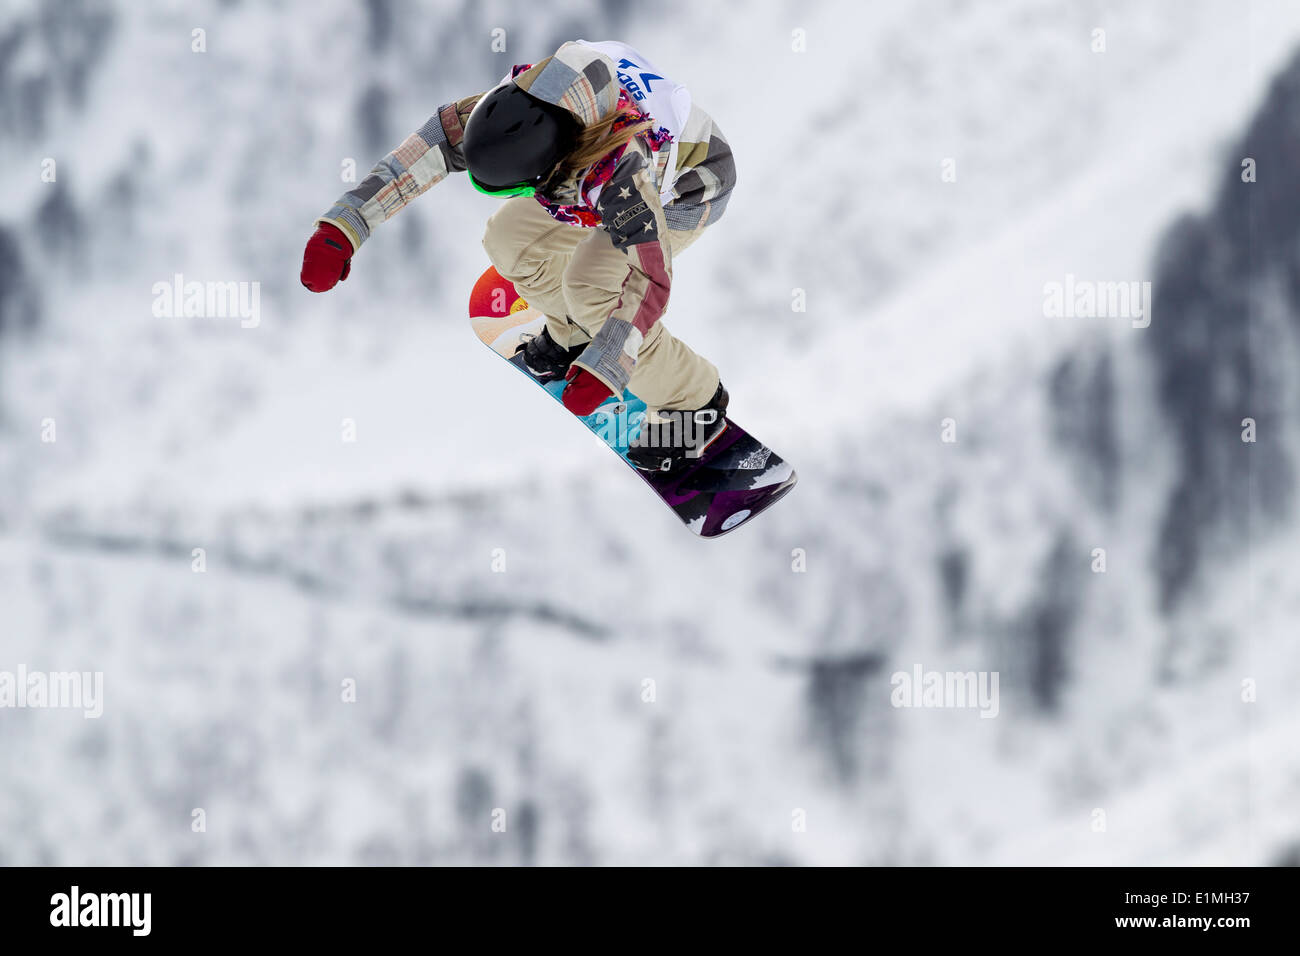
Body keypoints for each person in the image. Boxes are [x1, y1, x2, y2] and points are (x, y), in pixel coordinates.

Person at [300, 40, 737, 471]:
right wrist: (345, 224)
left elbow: (651, 280)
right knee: (509, 239)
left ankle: (693, 401)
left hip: (686, 191)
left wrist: (608, 365)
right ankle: (575, 332)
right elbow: (428, 151)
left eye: (524, 187)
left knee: (591, 286)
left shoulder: (620, 178)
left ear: (547, 170)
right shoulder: (524, 103)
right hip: (587, 171)